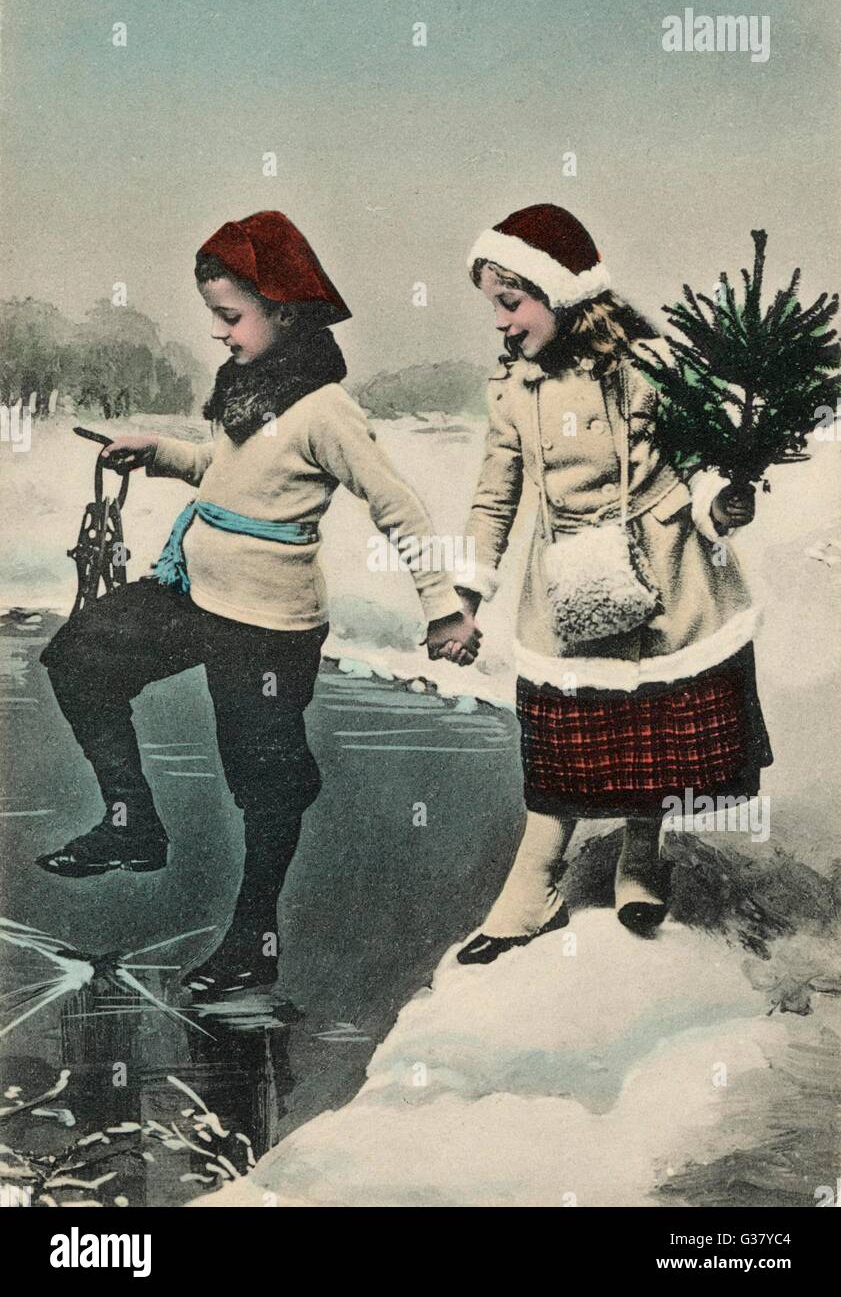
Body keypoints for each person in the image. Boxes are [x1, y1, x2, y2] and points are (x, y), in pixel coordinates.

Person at [38, 210, 473, 997]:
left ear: (284, 313)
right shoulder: (250, 389)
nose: (218, 333)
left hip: (269, 622)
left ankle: (253, 939)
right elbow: (232, 473)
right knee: (79, 658)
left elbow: (397, 505)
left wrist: (442, 608)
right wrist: (162, 452)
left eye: (229, 316)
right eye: (214, 315)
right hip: (193, 590)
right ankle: (132, 823)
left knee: (263, 781)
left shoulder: (326, 409)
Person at [431, 203, 771, 962]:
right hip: (565, 581)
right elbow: (495, 496)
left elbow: (697, 457)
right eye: (493, 305)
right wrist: (465, 601)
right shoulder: (513, 387)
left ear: (561, 294)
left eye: (510, 302)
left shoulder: (647, 367)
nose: (500, 322)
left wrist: (722, 503)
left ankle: (641, 859)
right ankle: (535, 880)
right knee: (563, 737)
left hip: (665, 567)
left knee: (653, 729)